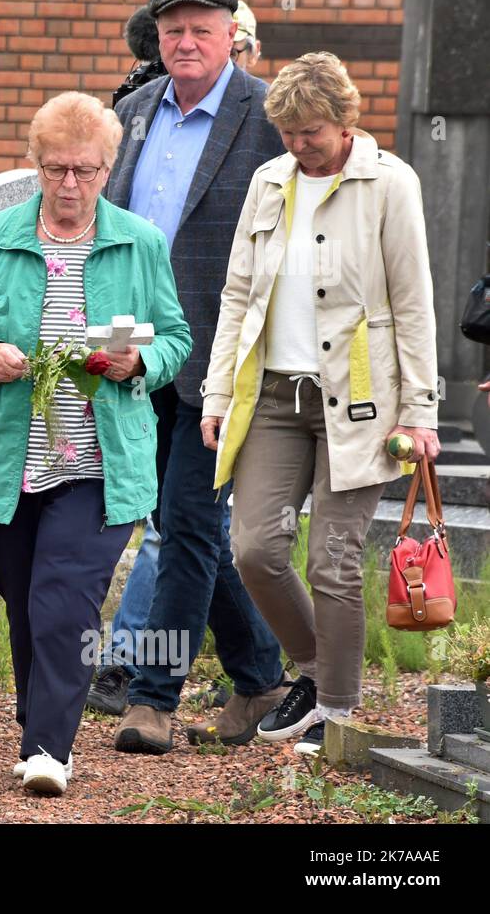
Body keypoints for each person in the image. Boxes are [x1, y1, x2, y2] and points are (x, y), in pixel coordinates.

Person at [0, 91, 191, 794]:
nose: (70, 184)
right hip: (9, 460)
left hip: (100, 459)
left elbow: (173, 337)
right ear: (34, 164)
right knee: (22, 600)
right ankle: (37, 722)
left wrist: (140, 361)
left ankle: (51, 748)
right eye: (55, 169)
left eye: (84, 170)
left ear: (108, 168)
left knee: (62, 599)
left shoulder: (138, 242)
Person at [203, 51, 441, 754]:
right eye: (287, 131)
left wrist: (420, 412)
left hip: (361, 402)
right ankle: (313, 670)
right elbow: (238, 295)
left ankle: (335, 710)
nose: (298, 144)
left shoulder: (390, 183)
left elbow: (414, 303)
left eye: (310, 130)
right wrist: (219, 393)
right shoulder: (268, 181)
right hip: (275, 396)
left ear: (344, 121)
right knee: (254, 549)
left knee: (333, 560)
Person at [103, 0, 290, 756]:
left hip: (220, 355)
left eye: (200, 30)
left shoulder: (267, 116)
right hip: (132, 354)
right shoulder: (132, 113)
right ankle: (262, 676)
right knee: (181, 525)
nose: (184, 42)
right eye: (172, 29)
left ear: (229, 36)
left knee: (185, 520)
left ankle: (152, 698)